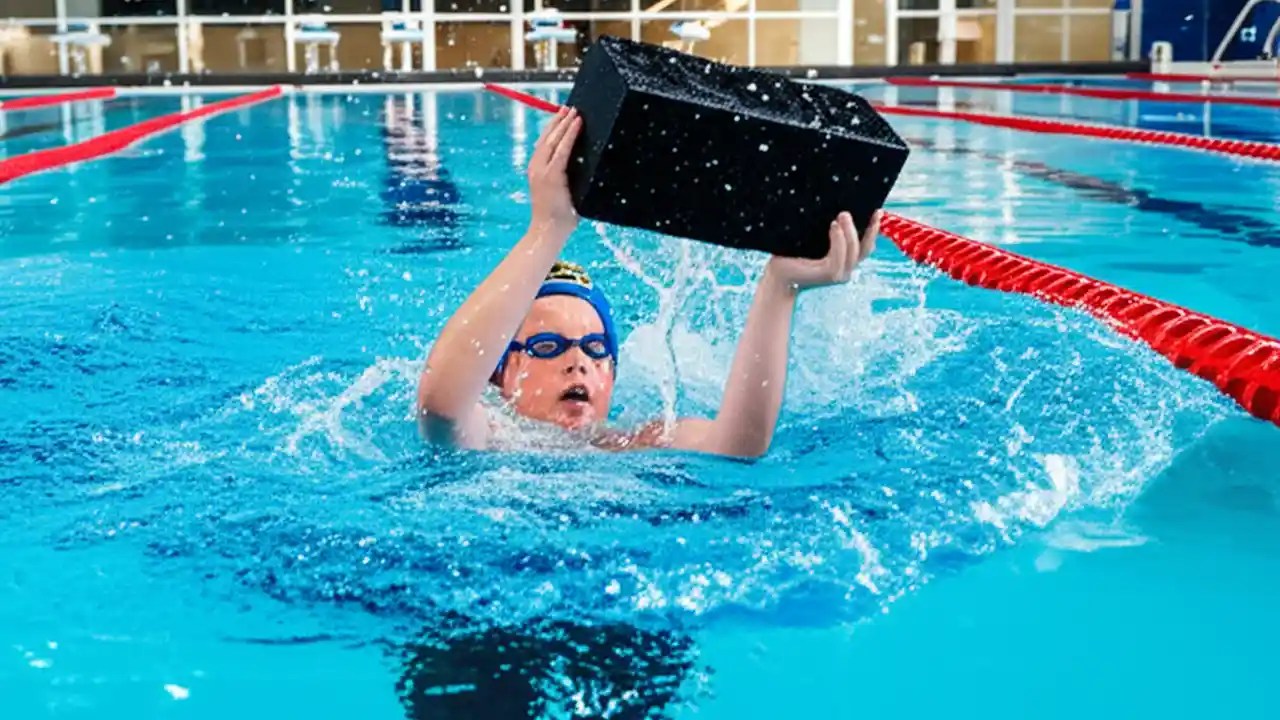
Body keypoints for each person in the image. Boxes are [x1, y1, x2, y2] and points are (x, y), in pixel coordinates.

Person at [417, 106, 881, 458]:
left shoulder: (631, 442)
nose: (579, 363)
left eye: (596, 349)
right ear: (501, 376)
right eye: (547, 346)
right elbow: (440, 403)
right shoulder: (492, 439)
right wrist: (549, 227)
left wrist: (782, 287)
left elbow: (739, 444)